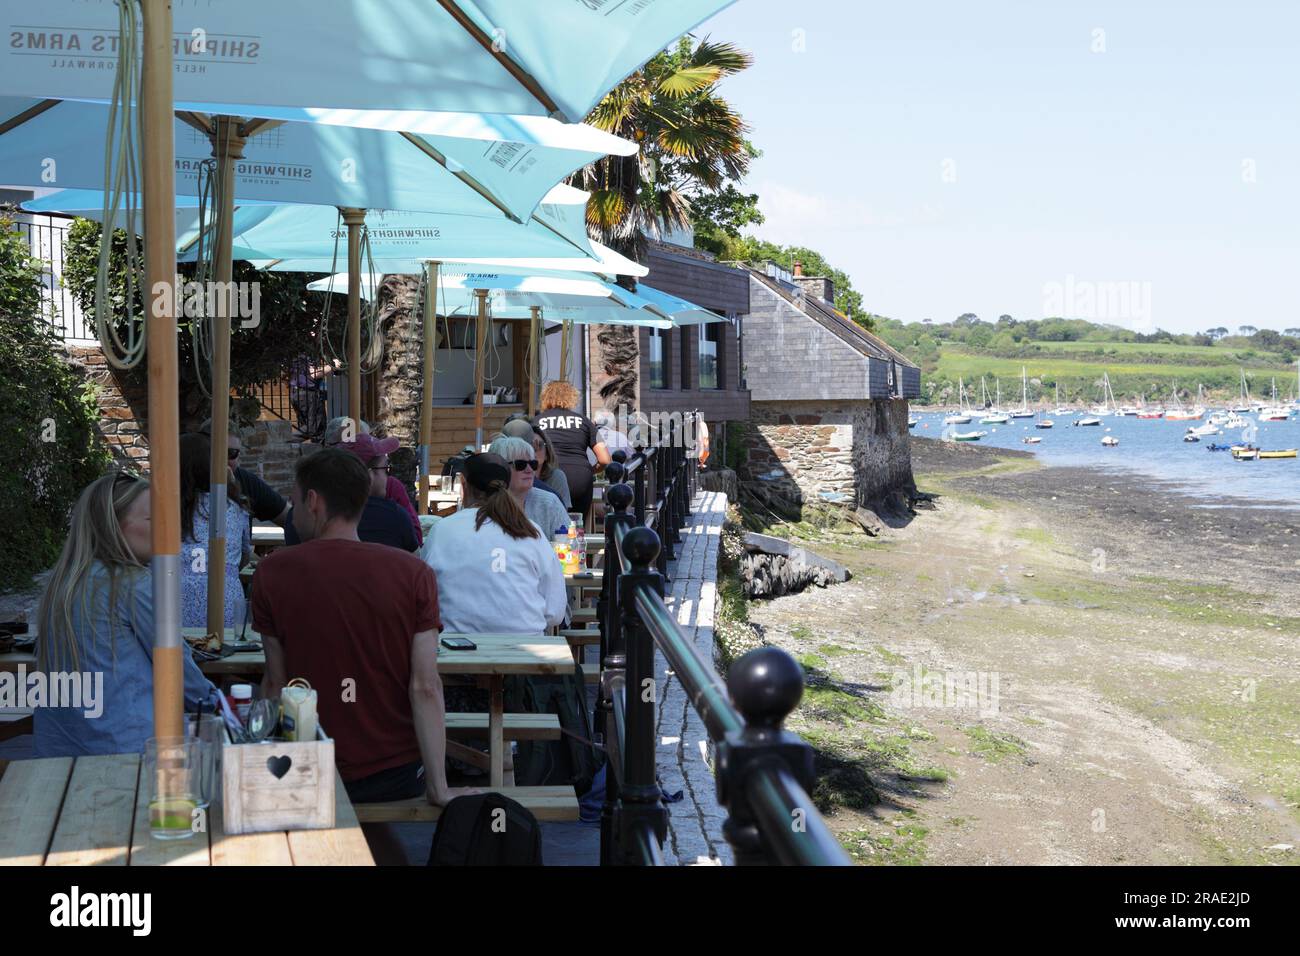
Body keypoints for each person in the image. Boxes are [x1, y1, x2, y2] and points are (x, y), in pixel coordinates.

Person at [251, 449, 460, 806]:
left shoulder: (271, 572)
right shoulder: (414, 574)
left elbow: (275, 683)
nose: (294, 511)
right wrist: (439, 788)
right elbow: (425, 686)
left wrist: (259, 770)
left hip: (306, 765)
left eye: (295, 501)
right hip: (395, 772)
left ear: (313, 501)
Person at [33, 473, 220, 758]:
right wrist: (215, 702)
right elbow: (176, 667)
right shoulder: (134, 584)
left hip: (60, 752)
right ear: (115, 526)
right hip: (128, 752)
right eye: (152, 519)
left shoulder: (62, 583)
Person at [420, 453, 566, 635]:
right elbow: (555, 611)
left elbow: (424, 595)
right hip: (525, 652)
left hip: (458, 650)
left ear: (463, 485)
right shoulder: (530, 531)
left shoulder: (442, 530)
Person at [283, 434, 418, 552]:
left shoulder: (300, 518)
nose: (387, 477)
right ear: (368, 476)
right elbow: (416, 544)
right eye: (386, 469)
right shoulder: (395, 517)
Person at [179, 433, 252, 628]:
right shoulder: (234, 507)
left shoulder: (161, 509)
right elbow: (243, 557)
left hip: (170, 606)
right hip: (225, 606)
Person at [323, 416, 421, 545]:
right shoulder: (316, 486)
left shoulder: (390, 485)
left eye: (364, 440)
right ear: (327, 446)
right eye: (345, 444)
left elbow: (415, 536)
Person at [534, 380, 610, 517]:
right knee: (577, 526)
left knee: (550, 523)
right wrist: (591, 471)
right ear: (571, 397)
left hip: (549, 475)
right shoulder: (585, 422)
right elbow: (605, 460)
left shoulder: (536, 422)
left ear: (545, 398)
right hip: (580, 477)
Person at [198, 418, 290, 527]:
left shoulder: (245, 481)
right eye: (218, 451)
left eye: (232, 453)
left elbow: (291, 519)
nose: (223, 459)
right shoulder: (184, 482)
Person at [487, 433, 571, 538]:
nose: (529, 470)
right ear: (500, 469)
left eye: (533, 464)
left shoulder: (549, 502)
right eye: (520, 465)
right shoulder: (483, 506)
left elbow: (569, 544)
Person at [502, 416, 571, 508]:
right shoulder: (506, 477)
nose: (532, 450)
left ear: (547, 453)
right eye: (528, 445)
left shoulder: (555, 477)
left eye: (538, 445)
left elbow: (562, 514)